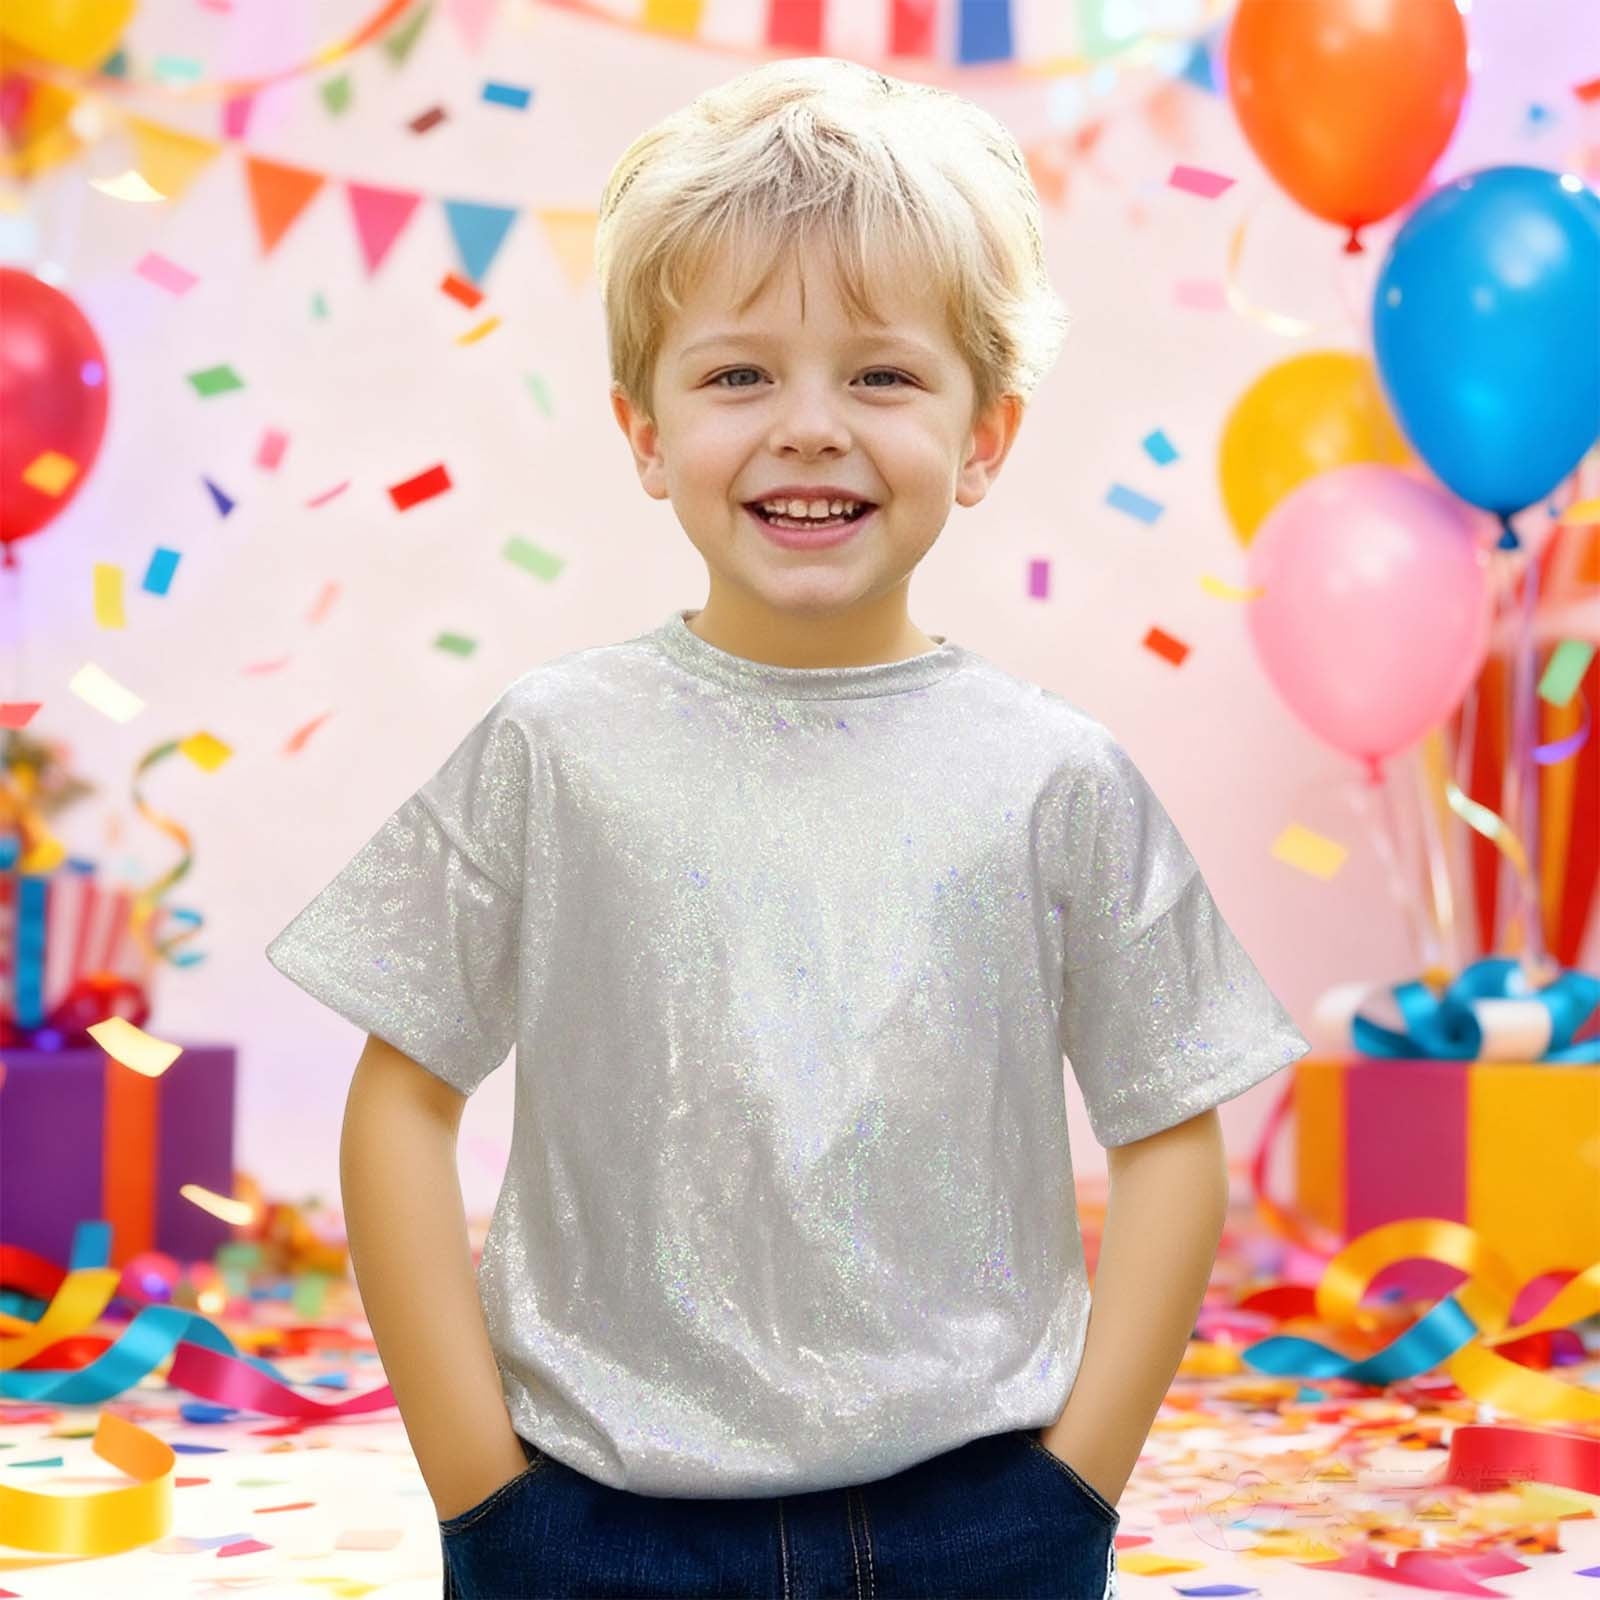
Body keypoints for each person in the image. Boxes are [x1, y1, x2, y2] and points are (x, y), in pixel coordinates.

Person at [265, 55, 1311, 1600]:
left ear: (985, 436)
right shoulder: (555, 750)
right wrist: (483, 1493)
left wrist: (1078, 1483)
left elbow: (1170, 1132)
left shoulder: (1056, 780)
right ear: (642, 430)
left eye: (881, 376)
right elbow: (400, 1102)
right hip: (589, 1525)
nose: (809, 428)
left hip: (983, 1527)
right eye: (739, 374)